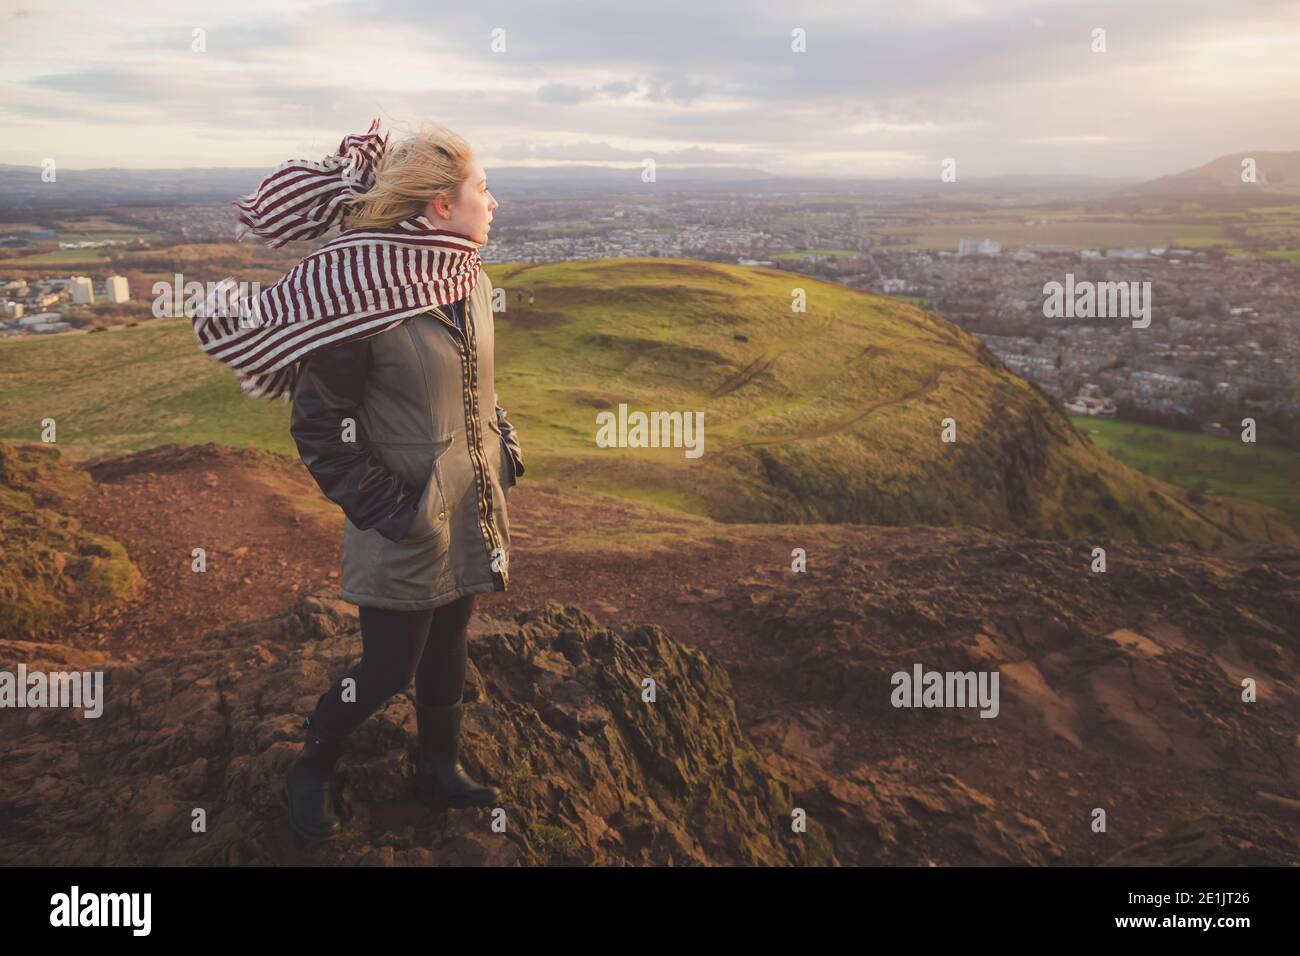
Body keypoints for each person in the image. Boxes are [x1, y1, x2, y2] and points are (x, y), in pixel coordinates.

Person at [189, 118, 523, 841]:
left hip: (470, 504)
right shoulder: (360, 304)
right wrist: (395, 511)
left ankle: (437, 767)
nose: (493, 202)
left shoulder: (467, 278)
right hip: (401, 519)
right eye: (483, 188)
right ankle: (311, 763)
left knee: (451, 640)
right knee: (387, 667)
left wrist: (506, 450)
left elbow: (478, 389)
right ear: (441, 205)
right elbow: (320, 430)